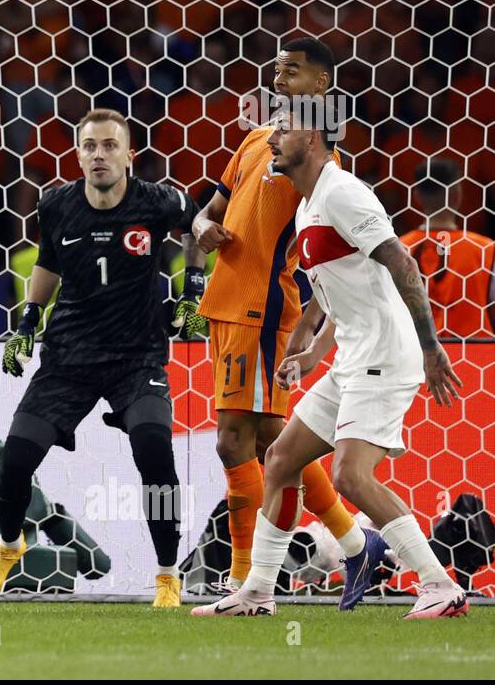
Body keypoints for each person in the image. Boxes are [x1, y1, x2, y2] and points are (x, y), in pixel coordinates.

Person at [194, 108, 468, 619]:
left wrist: (432, 348)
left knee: (349, 477)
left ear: (314, 137)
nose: (271, 139)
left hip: (384, 354)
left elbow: (401, 263)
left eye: (283, 130)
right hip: (351, 357)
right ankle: (257, 592)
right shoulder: (308, 205)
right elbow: (333, 294)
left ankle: (439, 584)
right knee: (279, 460)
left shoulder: (344, 192)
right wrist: (309, 353)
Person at [0, 108, 204, 608]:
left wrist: (192, 288)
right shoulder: (56, 205)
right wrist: (27, 321)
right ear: (78, 154)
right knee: (13, 463)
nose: (98, 155)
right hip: (69, 355)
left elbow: (199, 226)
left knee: (155, 454)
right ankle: (9, 545)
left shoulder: (158, 201)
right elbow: (47, 264)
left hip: (137, 354)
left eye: (108, 145)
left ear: (128, 155)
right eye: (89, 146)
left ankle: (167, 574)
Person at [190, 37, 365, 600]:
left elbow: (321, 248)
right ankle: (357, 546)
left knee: (234, 441)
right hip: (222, 305)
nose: (278, 76)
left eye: (293, 69)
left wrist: (316, 326)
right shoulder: (254, 141)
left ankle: (243, 577)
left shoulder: (318, 163)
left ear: (323, 85)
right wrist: (201, 231)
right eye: (275, 68)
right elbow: (208, 212)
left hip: (262, 312)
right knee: (270, 440)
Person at [400, 159, 495, 338]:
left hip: (413, 354)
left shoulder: (397, 248)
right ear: (457, 195)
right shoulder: (486, 249)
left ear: (417, 197)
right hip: (475, 355)